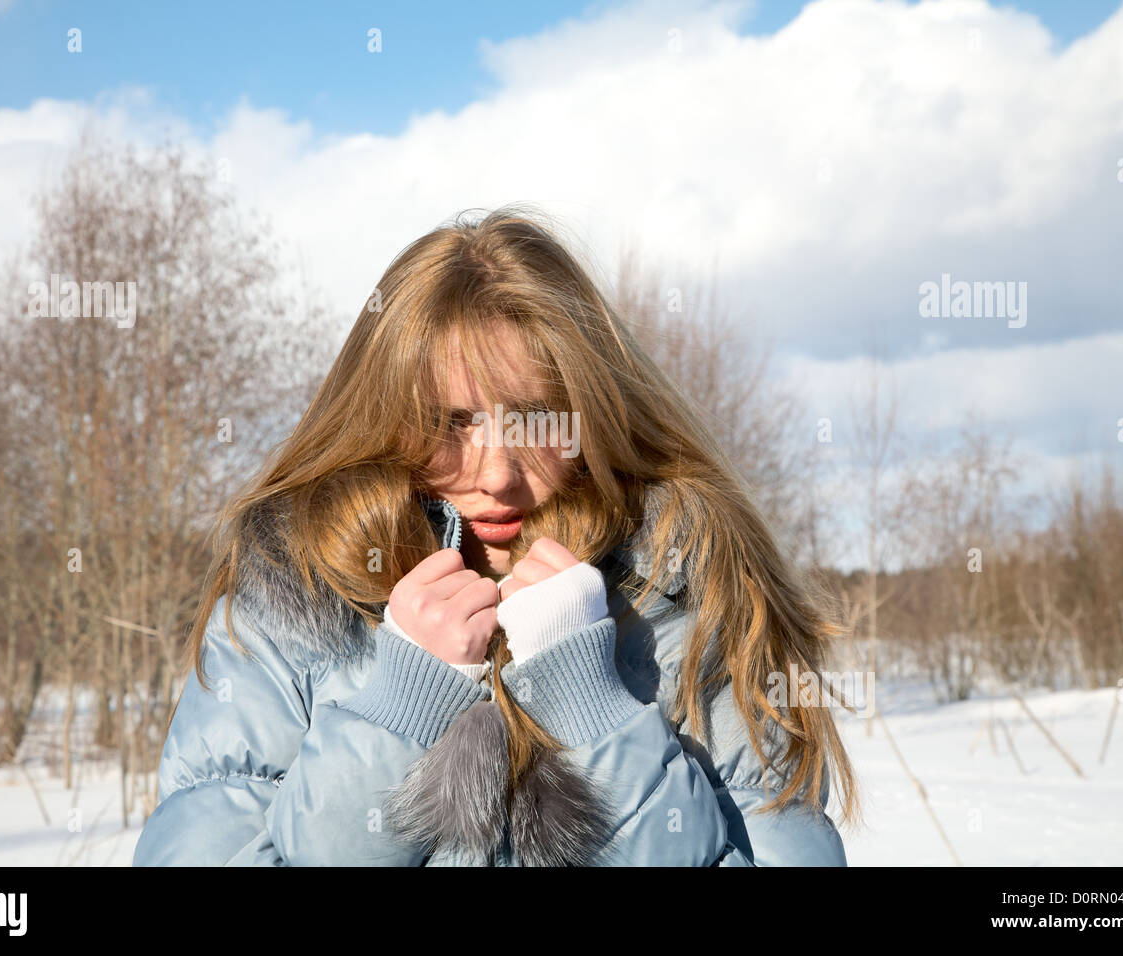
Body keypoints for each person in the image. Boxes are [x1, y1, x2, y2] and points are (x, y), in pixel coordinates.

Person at [133, 205, 860, 866]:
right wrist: (397, 713)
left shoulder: (693, 591)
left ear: (593, 414)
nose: (499, 475)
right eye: (451, 422)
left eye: (537, 420)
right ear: (381, 416)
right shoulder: (292, 596)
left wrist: (594, 712)